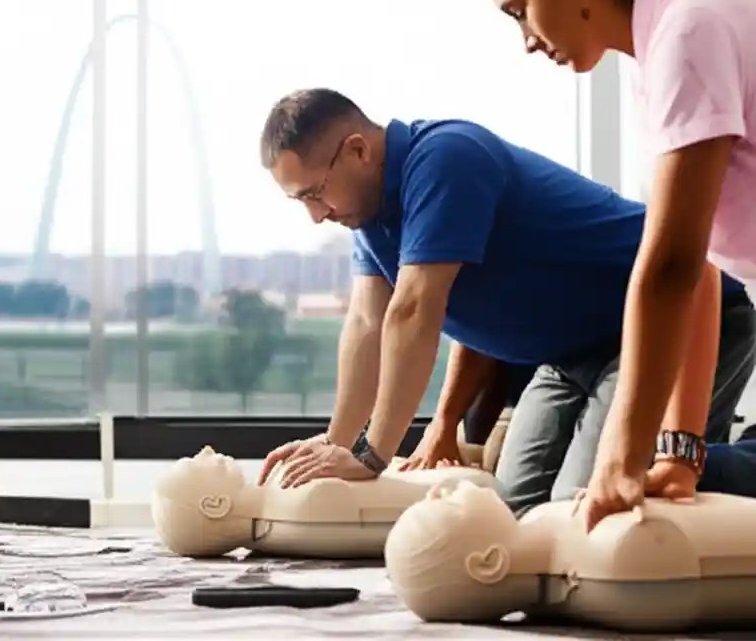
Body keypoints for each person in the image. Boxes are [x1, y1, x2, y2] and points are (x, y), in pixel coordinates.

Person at [252, 88, 756, 520]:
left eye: (314, 193)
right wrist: (337, 443)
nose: (316, 216)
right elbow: (368, 323)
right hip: (570, 354)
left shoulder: (446, 158)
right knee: (514, 511)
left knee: (583, 506)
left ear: (358, 150)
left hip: (668, 320)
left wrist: (371, 455)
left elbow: (413, 311)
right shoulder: (368, 215)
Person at [483, 0, 756, 529]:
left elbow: (670, 267)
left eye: (520, 10)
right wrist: (677, 453)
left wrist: (619, 459)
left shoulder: (692, 26)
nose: (527, 40)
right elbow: (700, 270)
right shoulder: (665, 44)